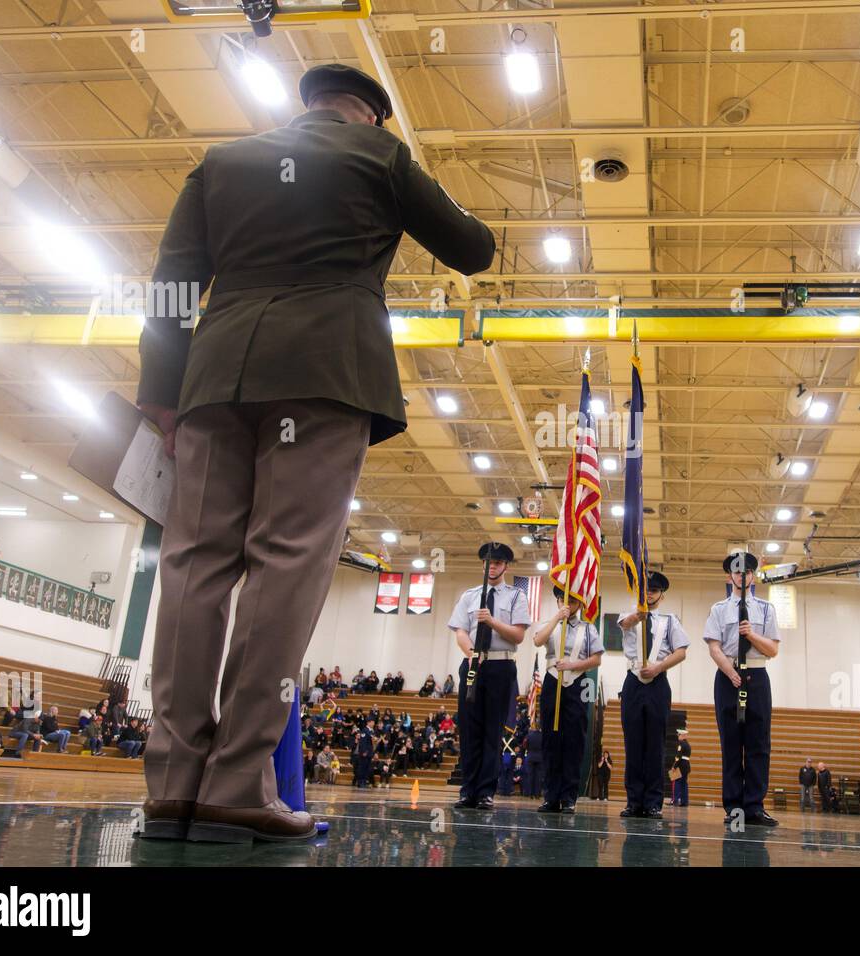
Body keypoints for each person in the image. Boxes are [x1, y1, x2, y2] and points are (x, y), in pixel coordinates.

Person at [136, 61, 494, 844]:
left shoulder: (223, 162)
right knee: (284, 563)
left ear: (304, 108)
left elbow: (170, 283)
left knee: (193, 565)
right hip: (326, 375)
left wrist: (161, 389)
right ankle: (236, 786)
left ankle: (170, 788)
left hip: (213, 379)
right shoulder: (380, 157)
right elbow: (474, 249)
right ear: (370, 115)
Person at [449, 543, 531, 810]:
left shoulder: (516, 596)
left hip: (500, 665)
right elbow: (460, 630)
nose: (492, 566)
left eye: (497, 562)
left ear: (506, 566)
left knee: (492, 731)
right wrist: (470, 652)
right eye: (488, 561)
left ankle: (486, 791)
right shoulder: (469, 596)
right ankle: (467, 790)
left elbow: (518, 635)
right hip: (473, 664)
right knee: (470, 729)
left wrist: (492, 621)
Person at [704, 551, 780, 828]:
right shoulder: (718, 609)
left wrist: (752, 634)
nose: (741, 575)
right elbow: (714, 646)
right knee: (731, 744)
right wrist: (730, 672)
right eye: (736, 571)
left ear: (752, 575)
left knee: (759, 744)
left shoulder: (766, 609)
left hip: (757, 676)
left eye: (747, 571)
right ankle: (734, 807)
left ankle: (755, 806)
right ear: (730, 576)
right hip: (728, 677)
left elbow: (772, 649)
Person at [617, 570, 689, 819]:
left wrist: (659, 667)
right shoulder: (629, 614)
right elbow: (624, 625)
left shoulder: (670, 620)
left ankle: (653, 802)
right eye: (646, 590)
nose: (649, 594)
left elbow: (681, 651)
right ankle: (633, 801)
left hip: (658, 682)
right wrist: (639, 614)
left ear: (662, 595)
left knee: (656, 745)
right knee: (633, 743)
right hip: (633, 682)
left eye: (654, 591)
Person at [533, 588, 604, 814]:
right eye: (564, 599)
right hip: (552, 680)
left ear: (580, 603)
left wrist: (572, 666)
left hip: (578, 683)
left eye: (573, 600)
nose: (569, 604)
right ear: (557, 601)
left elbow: (596, 659)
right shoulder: (550, 624)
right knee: (550, 740)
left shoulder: (588, 628)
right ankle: (551, 796)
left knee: (574, 739)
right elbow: (537, 641)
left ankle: (569, 797)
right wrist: (556, 618)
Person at [671, 729, 691, 807]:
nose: (678, 736)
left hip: (681, 766)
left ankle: (675, 801)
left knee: (677, 783)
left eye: (679, 735)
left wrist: (674, 766)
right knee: (684, 784)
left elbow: (678, 757)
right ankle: (684, 802)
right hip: (686, 766)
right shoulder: (688, 744)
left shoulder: (681, 744)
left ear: (682, 736)